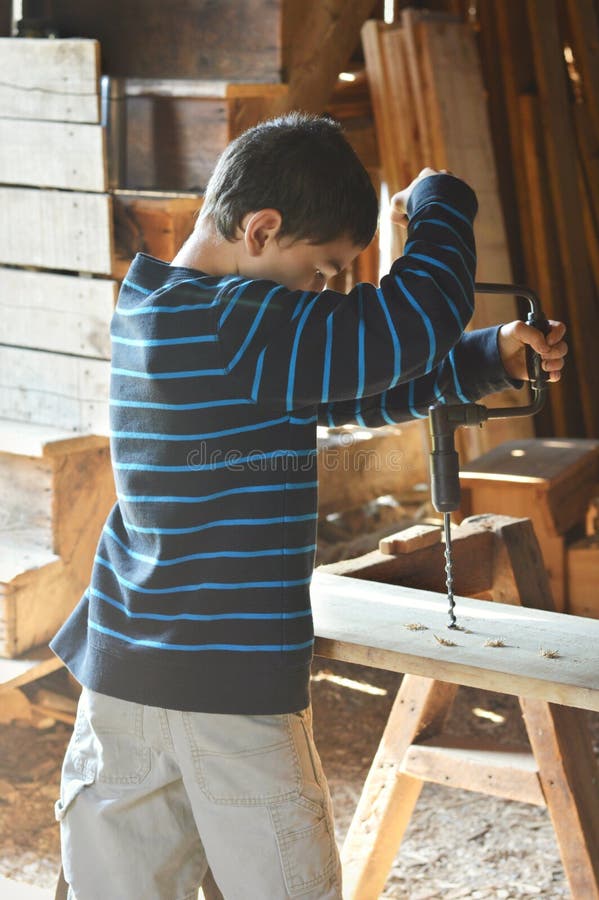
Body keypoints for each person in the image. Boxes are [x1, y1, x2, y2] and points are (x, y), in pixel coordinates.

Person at [50, 112, 567, 900]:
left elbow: (348, 384)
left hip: (121, 675)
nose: (326, 290)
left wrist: (478, 359)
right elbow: (407, 323)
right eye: (323, 270)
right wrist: (441, 204)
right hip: (224, 687)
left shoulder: (161, 307)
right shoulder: (239, 321)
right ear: (261, 229)